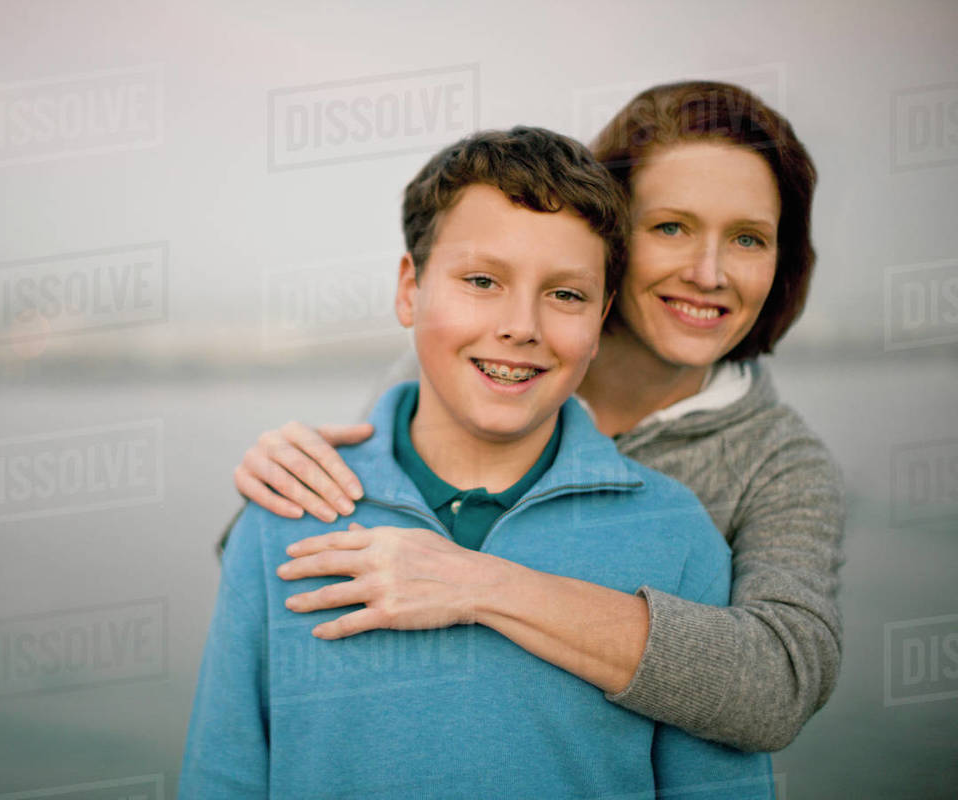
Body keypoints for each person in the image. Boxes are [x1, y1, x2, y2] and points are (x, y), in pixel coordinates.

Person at [226, 81, 845, 753]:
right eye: (671, 226)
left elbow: (780, 684)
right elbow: (279, 577)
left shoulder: (781, 465)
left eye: (749, 239)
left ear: (783, 263)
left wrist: (485, 586)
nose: (708, 272)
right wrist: (278, 478)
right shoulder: (471, 367)